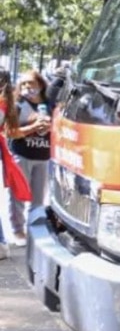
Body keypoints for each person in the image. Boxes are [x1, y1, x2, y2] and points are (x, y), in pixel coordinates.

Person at [7, 70, 52, 241]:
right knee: (17, 195)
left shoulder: (50, 105)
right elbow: (11, 132)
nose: (26, 87)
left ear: (40, 85)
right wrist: (33, 127)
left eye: (30, 83)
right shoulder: (17, 105)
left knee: (38, 198)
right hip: (22, 156)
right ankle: (18, 231)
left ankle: (35, 231)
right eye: (23, 84)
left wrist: (50, 126)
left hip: (43, 158)